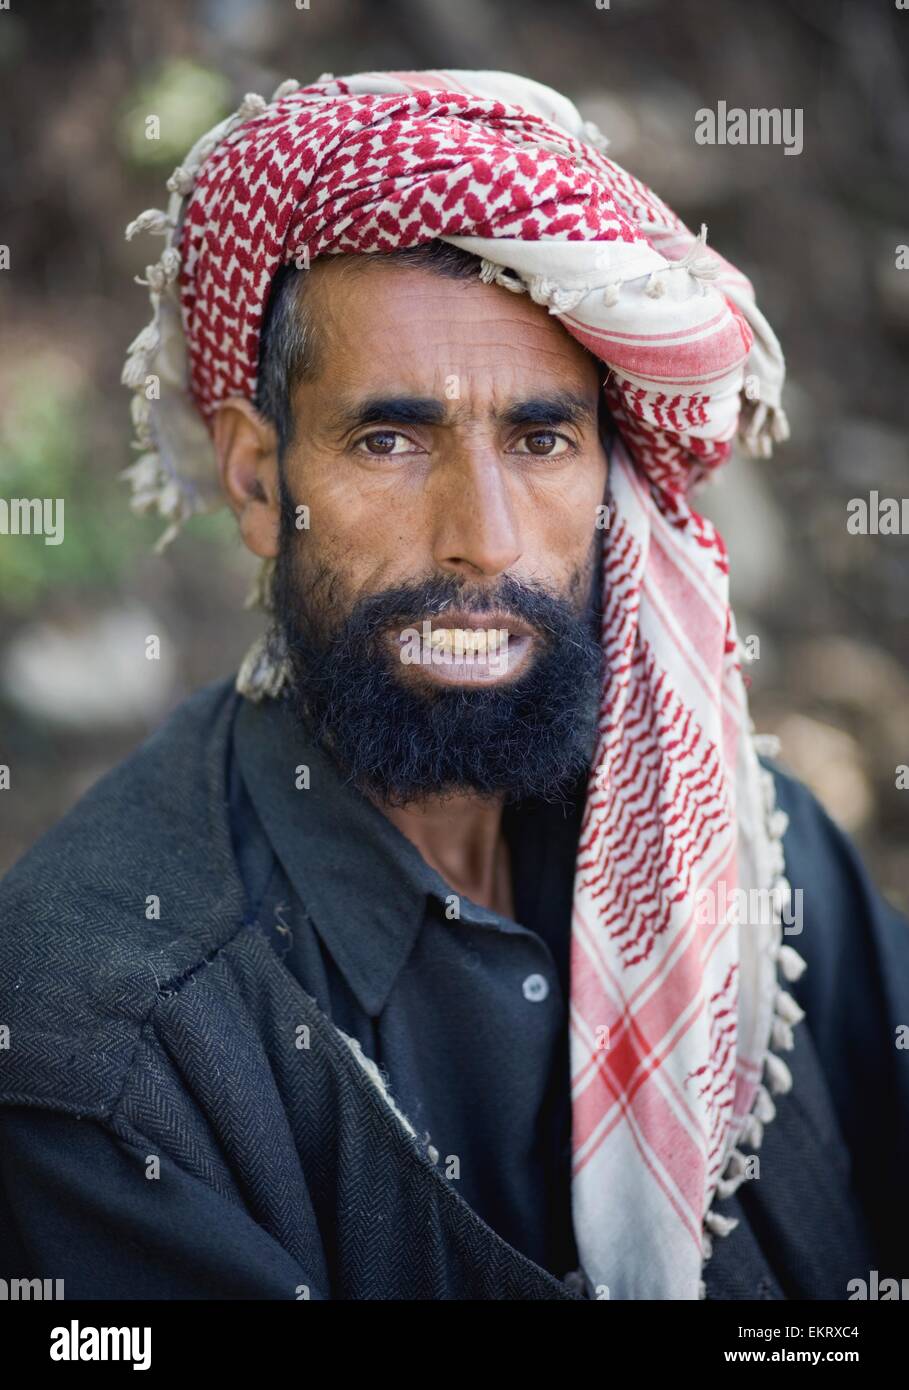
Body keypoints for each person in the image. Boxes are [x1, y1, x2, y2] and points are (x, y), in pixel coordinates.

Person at [0, 69, 906, 1302]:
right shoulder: (106, 1041)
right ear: (261, 484)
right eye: (391, 440)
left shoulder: (747, 854)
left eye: (541, 440)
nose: (481, 537)